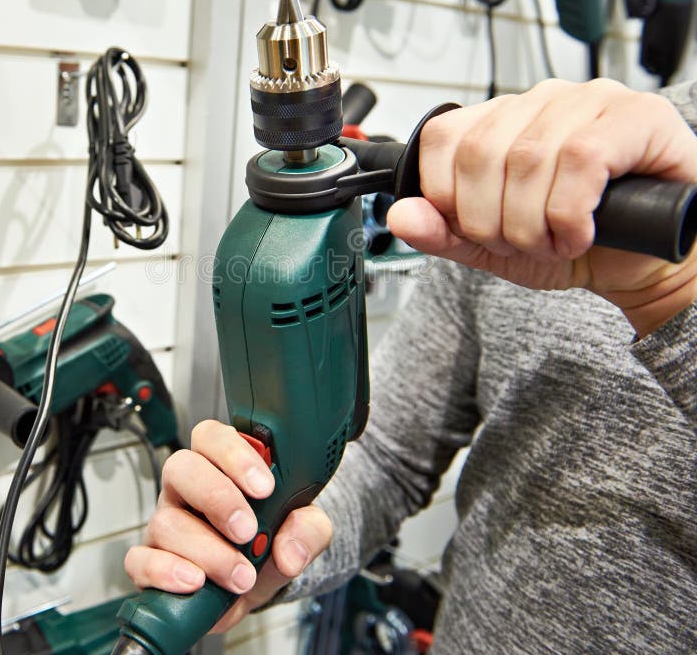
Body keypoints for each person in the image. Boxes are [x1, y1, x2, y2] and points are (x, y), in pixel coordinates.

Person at [124, 78, 697, 653]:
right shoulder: (555, 168)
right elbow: (387, 460)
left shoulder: (632, 201)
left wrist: (676, 293)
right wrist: (262, 547)